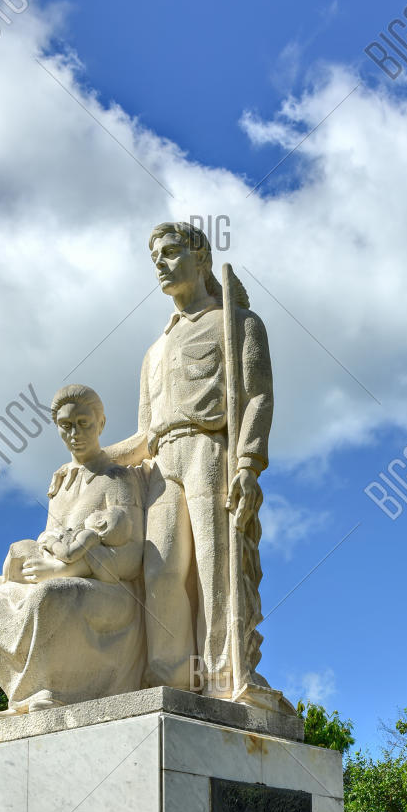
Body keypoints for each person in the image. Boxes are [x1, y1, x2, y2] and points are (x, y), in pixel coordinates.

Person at [105, 222, 275, 700]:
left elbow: (257, 397)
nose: (160, 262)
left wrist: (247, 462)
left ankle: (223, 674)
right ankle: (170, 676)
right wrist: (92, 459)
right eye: (154, 255)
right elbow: (142, 433)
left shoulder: (239, 322)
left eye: (172, 251)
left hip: (210, 447)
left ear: (201, 257)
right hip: (162, 461)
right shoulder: (153, 351)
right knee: (160, 571)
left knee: (215, 565)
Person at [0, 384, 146, 715]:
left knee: (50, 596)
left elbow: (132, 560)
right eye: (66, 425)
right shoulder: (60, 484)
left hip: (110, 593)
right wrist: (22, 555)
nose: (74, 433)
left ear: (101, 424)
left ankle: (50, 690)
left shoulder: (116, 477)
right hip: (52, 582)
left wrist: (66, 570)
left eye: (83, 423)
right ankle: (27, 695)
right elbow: (52, 541)